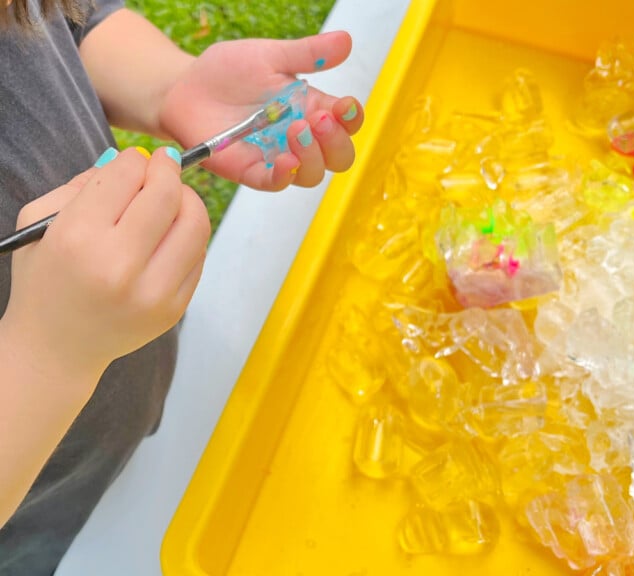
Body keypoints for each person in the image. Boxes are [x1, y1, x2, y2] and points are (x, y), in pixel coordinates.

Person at [0, 0, 364, 573]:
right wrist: (47, 355)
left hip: (108, 425)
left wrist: (170, 85)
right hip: (34, 516)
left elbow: (55, 19)